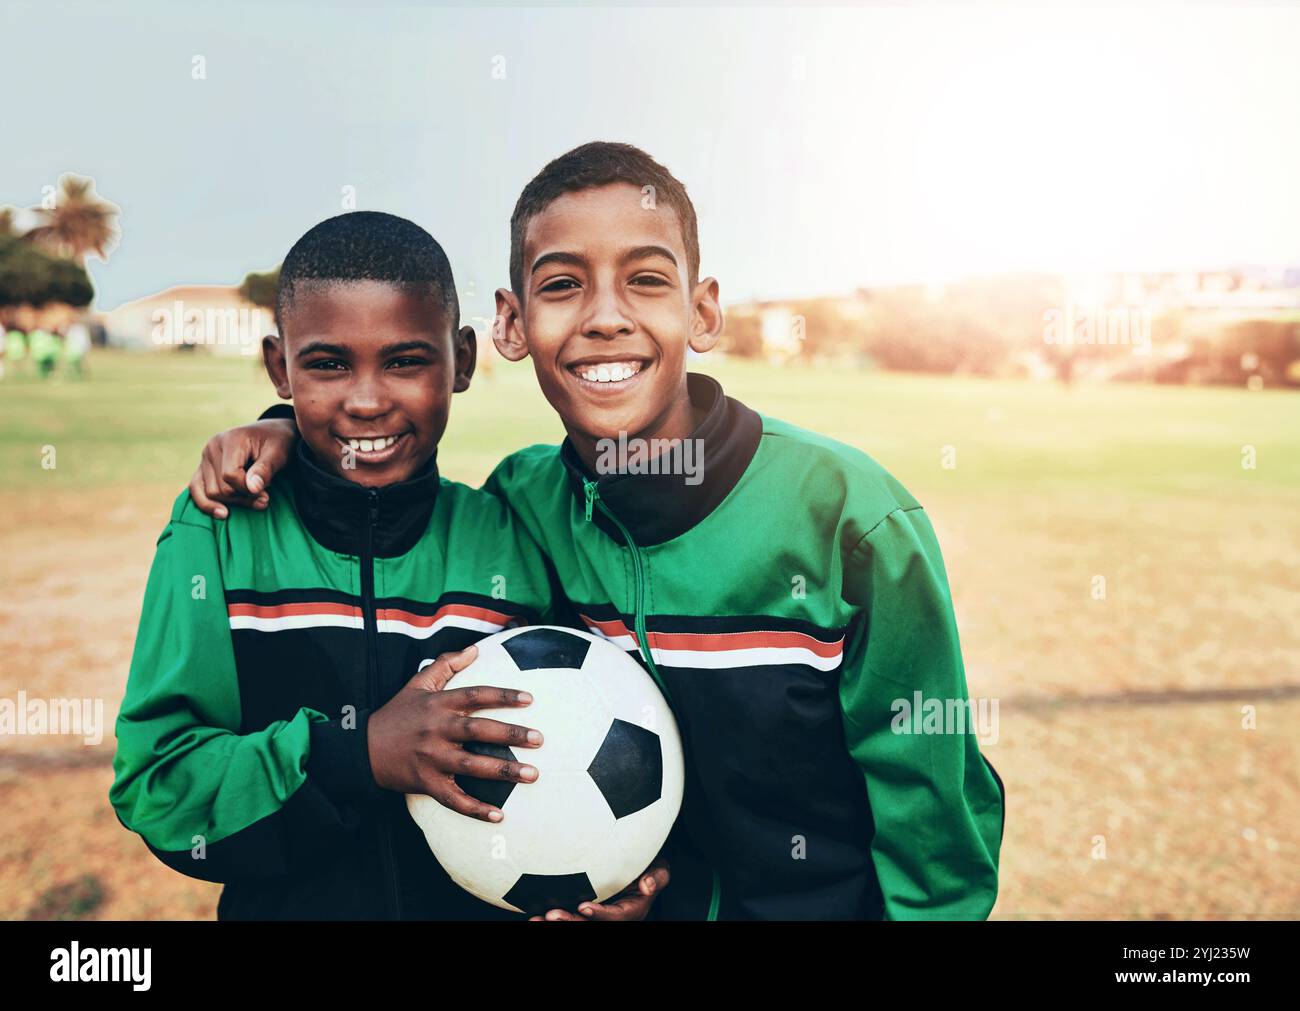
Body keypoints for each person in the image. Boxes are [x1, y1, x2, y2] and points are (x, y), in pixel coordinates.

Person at [188, 143, 1005, 920]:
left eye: (646, 279)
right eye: (563, 285)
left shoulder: (850, 521)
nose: (606, 317)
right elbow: (379, 470)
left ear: (704, 307)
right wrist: (289, 436)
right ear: (510, 324)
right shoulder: (524, 505)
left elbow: (934, 837)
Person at [111, 210, 667, 921]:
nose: (368, 399)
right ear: (279, 367)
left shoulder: (511, 536)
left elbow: (583, 741)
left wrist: (605, 878)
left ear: (462, 360)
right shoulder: (217, 533)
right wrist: (361, 754)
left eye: (406, 361)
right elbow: (159, 785)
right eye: (328, 363)